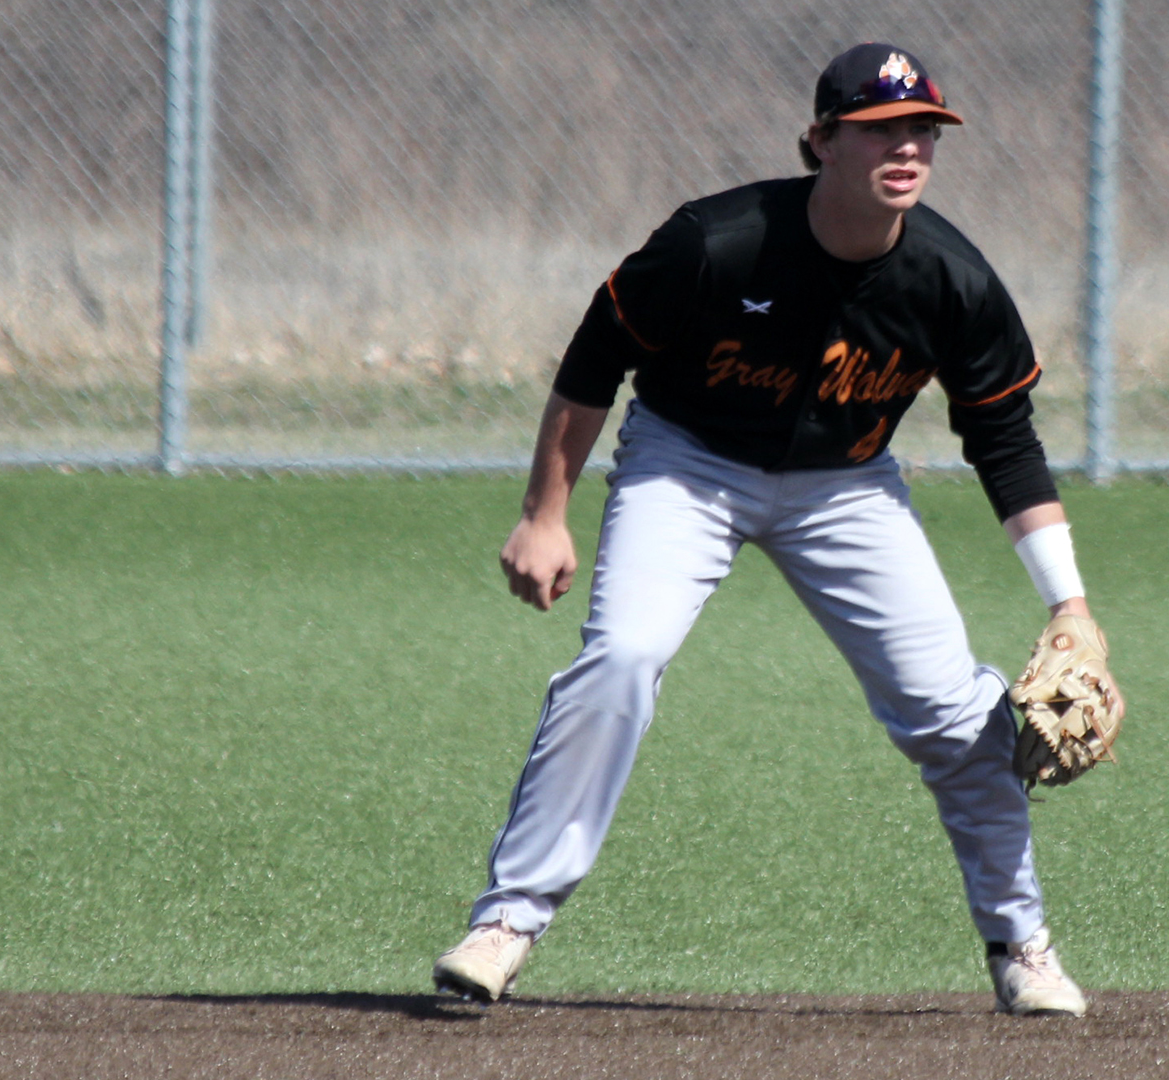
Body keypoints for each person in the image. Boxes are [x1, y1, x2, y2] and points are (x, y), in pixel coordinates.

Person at [433, 42, 1113, 1017]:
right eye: (881, 128)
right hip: (688, 463)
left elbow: (1003, 439)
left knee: (958, 716)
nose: (908, 145)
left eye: (923, 127)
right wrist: (546, 514)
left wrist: (1069, 604)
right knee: (620, 657)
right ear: (821, 140)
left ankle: (1022, 944)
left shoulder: (950, 280)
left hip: (847, 487)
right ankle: (507, 923)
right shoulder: (717, 242)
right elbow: (595, 359)